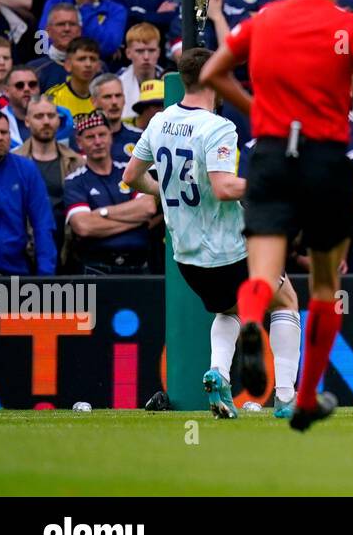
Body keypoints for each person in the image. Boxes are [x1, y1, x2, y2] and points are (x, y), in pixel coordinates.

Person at [201, 0, 353, 432]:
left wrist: (260, 113)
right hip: (327, 158)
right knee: (326, 285)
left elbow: (211, 71)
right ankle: (305, 397)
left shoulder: (263, 19)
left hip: (269, 155)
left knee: (263, 276)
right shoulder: (351, 24)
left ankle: (249, 324)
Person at [123, 47, 303, 419]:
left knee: (228, 310)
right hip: (229, 247)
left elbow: (131, 178)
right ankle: (286, 398)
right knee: (285, 301)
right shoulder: (218, 126)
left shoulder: (158, 122)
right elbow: (223, 187)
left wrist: (169, 192)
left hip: (186, 255)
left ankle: (218, 373)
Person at [65, 109, 160, 273]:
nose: (97, 141)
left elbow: (148, 207)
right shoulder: (74, 181)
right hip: (97, 267)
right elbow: (83, 226)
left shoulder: (130, 173)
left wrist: (101, 213)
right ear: (79, 142)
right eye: (90, 137)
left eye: (102, 134)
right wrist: (136, 220)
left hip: (139, 266)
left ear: (111, 136)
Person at [12, 95, 82, 250]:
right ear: (27, 121)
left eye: (51, 115)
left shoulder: (76, 162)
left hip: (68, 247)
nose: (46, 121)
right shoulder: (13, 162)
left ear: (58, 119)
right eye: (39, 116)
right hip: (24, 249)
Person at [0, 109, 58, 274]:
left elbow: (42, 224)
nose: (0, 137)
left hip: (15, 271)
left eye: (4, 132)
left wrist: (46, 275)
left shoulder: (25, 169)